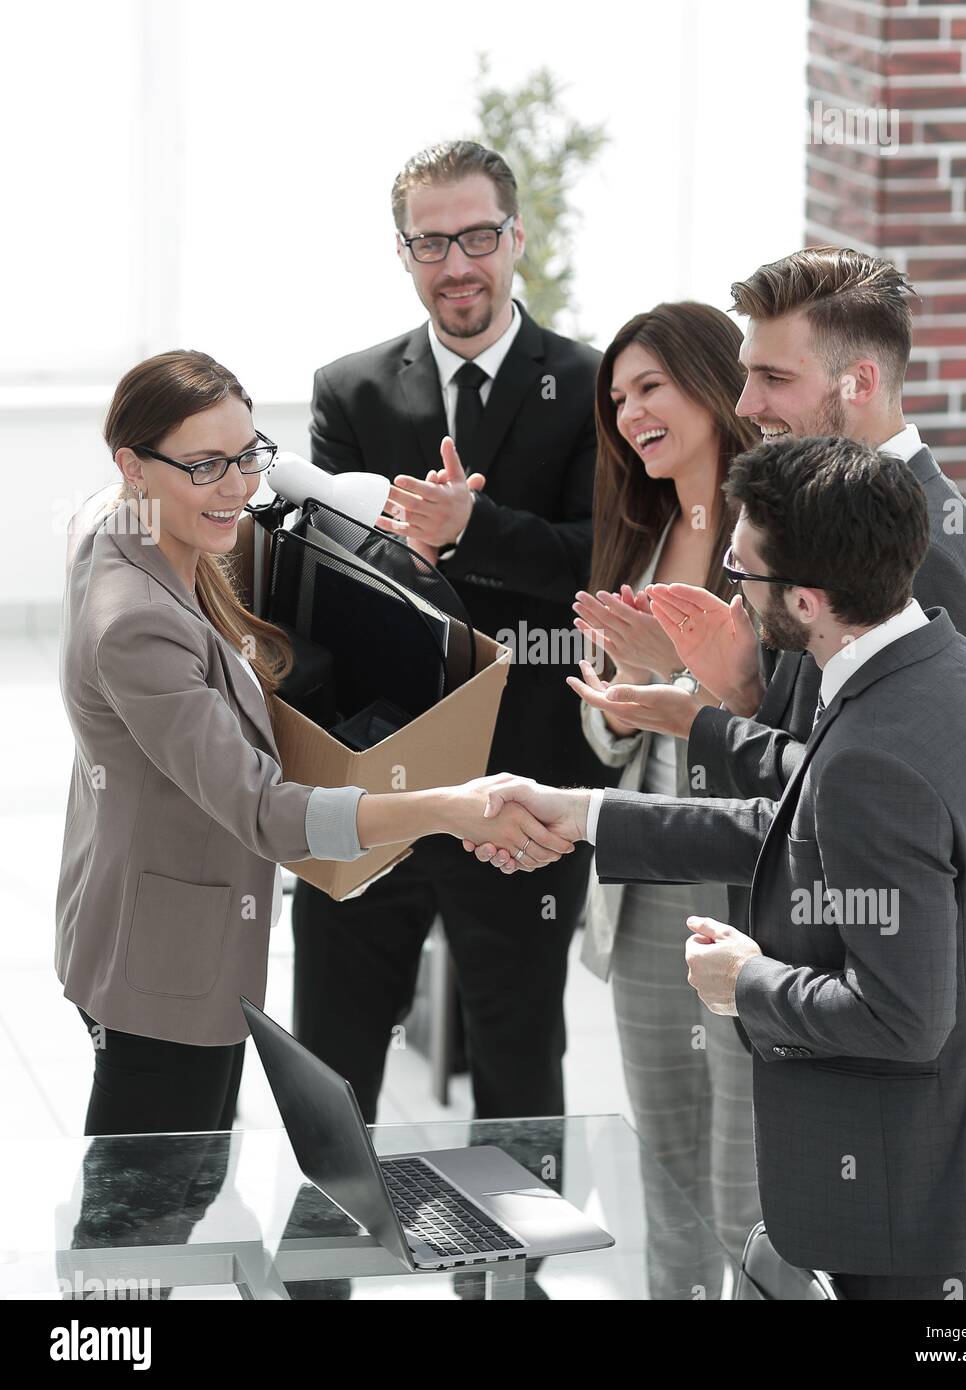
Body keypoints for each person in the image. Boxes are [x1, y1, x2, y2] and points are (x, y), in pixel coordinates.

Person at [466, 435, 966, 1299]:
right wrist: (589, 812)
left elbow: (901, 1019)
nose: (732, 597)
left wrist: (742, 979)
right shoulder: (953, 673)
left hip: (912, 1224)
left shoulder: (874, 747)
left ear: (810, 600)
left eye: (743, 577)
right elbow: (793, 824)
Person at [56, 349, 573, 1139]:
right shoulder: (138, 622)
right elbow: (263, 811)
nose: (236, 486)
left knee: (173, 1199)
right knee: (144, 1227)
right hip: (161, 968)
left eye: (246, 455)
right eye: (204, 465)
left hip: (157, 926)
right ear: (133, 464)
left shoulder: (127, 531)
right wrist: (450, 807)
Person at [569, 247, 966, 1043]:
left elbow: (869, 798)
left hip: (878, 1009)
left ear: (857, 382)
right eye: (748, 373)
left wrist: (701, 718)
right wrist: (740, 688)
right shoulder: (839, 518)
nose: (747, 402)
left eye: (774, 379)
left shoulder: (927, 551)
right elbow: (835, 755)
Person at [291, 140, 609, 1127]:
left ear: (515, 237)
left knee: (517, 1064)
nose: (456, 263)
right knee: (331, 1058)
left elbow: (597, 564)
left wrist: (468, 533)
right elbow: (325, 575)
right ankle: (321, 1278)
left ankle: (510, 1282)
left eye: (476, 235)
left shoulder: (593, 384)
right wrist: (409, 560)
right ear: (403, 252)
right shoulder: (351, 389)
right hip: (377, 775)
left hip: (525, 784)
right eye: (431, 242)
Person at [568, 301, 760, 1296]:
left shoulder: (769, 532)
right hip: (645, 886)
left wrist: (670, 684)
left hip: (741, 882)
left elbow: (770, 712)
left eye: (649, 386)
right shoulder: (642, 534)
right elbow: (611, 731)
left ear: (711, 380)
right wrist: (621, 702)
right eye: (616, 398)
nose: (630, 412)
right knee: (667, 1169)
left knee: (742, 1186)